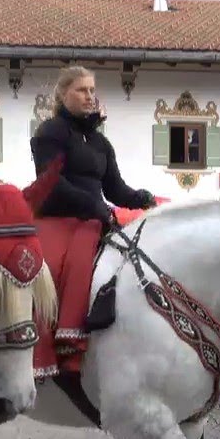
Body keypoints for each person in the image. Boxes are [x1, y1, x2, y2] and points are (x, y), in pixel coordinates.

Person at [29, 65, 156, 373]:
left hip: (95, 218)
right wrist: (92, 206)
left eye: (91, 90)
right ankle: (58, 341)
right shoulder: (50, 133)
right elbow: (52, 181)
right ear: (63, 94)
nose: (89, 96)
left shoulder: (101, 143)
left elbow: (114, 189)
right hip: (58, 218)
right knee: (64, 267)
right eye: (81, 90)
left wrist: (140, 197)